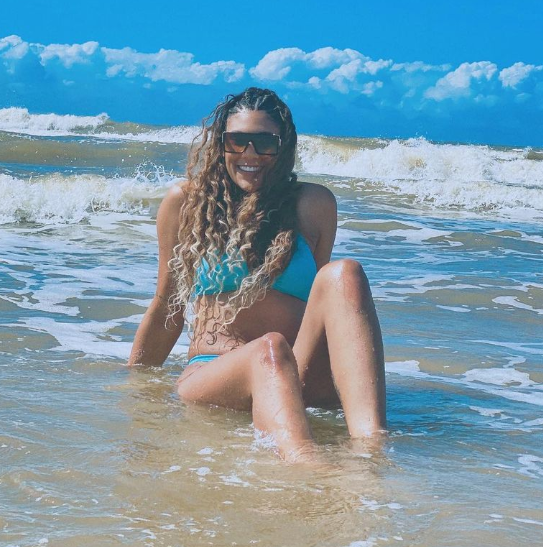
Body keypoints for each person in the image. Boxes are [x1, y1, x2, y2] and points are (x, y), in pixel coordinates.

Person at [128, 87, 386, 462]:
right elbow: (167, 304)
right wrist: (134, 385)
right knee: (268, 349)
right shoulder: (185, 203)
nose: (250, 154)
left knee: (344, 274)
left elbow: (322, 305)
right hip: (216, 373)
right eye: (237, 141)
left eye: (264, 143)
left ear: (283, 147)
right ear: (221, 144)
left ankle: (374, 451)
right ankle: (307, 466)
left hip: (299, 370)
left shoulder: (313, 204)